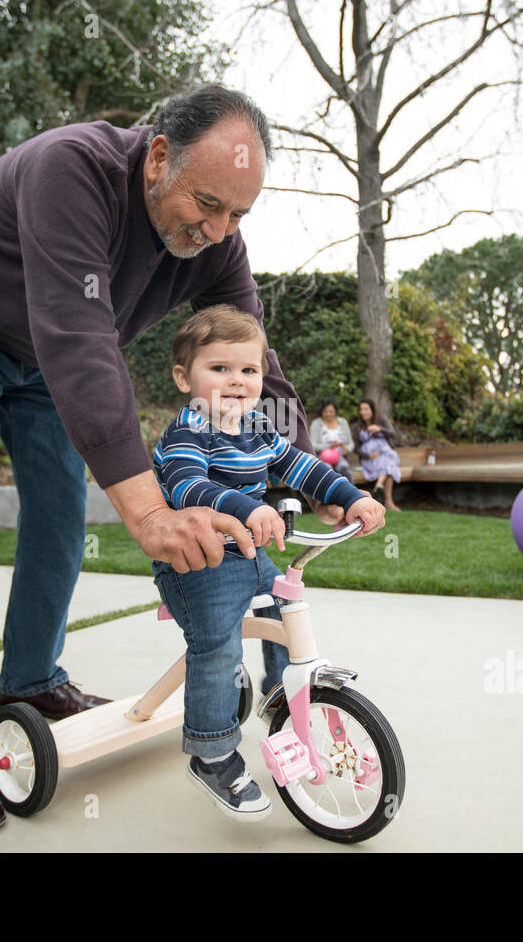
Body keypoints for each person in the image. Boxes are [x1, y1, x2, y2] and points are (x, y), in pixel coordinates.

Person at [0, 86, 356, 835]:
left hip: (39, 356)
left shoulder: (216, 241)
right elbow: (79, 337)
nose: (219, 229)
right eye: (207, 204)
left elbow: (256, 359)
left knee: (62, 518)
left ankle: (32, 685)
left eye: (239, 215)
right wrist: (147, 509)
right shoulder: (70, 170)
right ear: (158, 157)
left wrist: (307, 466)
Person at [151, 306, 384, 818]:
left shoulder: (257, 426)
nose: (237, 381)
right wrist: (247, 507)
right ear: (183, 377)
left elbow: (299, 464)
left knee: (283, 609)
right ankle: (211, 753)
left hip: (252, 556)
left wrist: (351, 495)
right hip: (199, 566)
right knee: (216, 647)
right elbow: (189, 485)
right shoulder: (189, 432)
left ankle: (283, 696)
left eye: (249, 371)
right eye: (220, 369)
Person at [353, 399, 402, 512]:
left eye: (366, 409)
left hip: (385, 453)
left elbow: (393, 434)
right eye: (361, 409)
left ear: (372, 410)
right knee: (389, 467)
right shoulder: (357, 427)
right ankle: (388, 501)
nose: (363, 412)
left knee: (387, 462)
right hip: (370, 459)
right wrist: (367, 456)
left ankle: (379, 486)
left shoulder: (381, 420)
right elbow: (356, 448)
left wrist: (380, 429)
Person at [309, 398, 354, 481]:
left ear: (335, 411)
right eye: (325, 411)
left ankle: (350, 492)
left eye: (331, 411)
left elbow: (351, 443)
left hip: (340, 456)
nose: (328, 414)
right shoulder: (316, 424)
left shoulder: (343, 422)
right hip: (322, 457)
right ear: (321, 412)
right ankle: (330, 493)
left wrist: (346, 448)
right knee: (327, 470)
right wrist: (330, 446)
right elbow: (312, 445)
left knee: (344, 468)